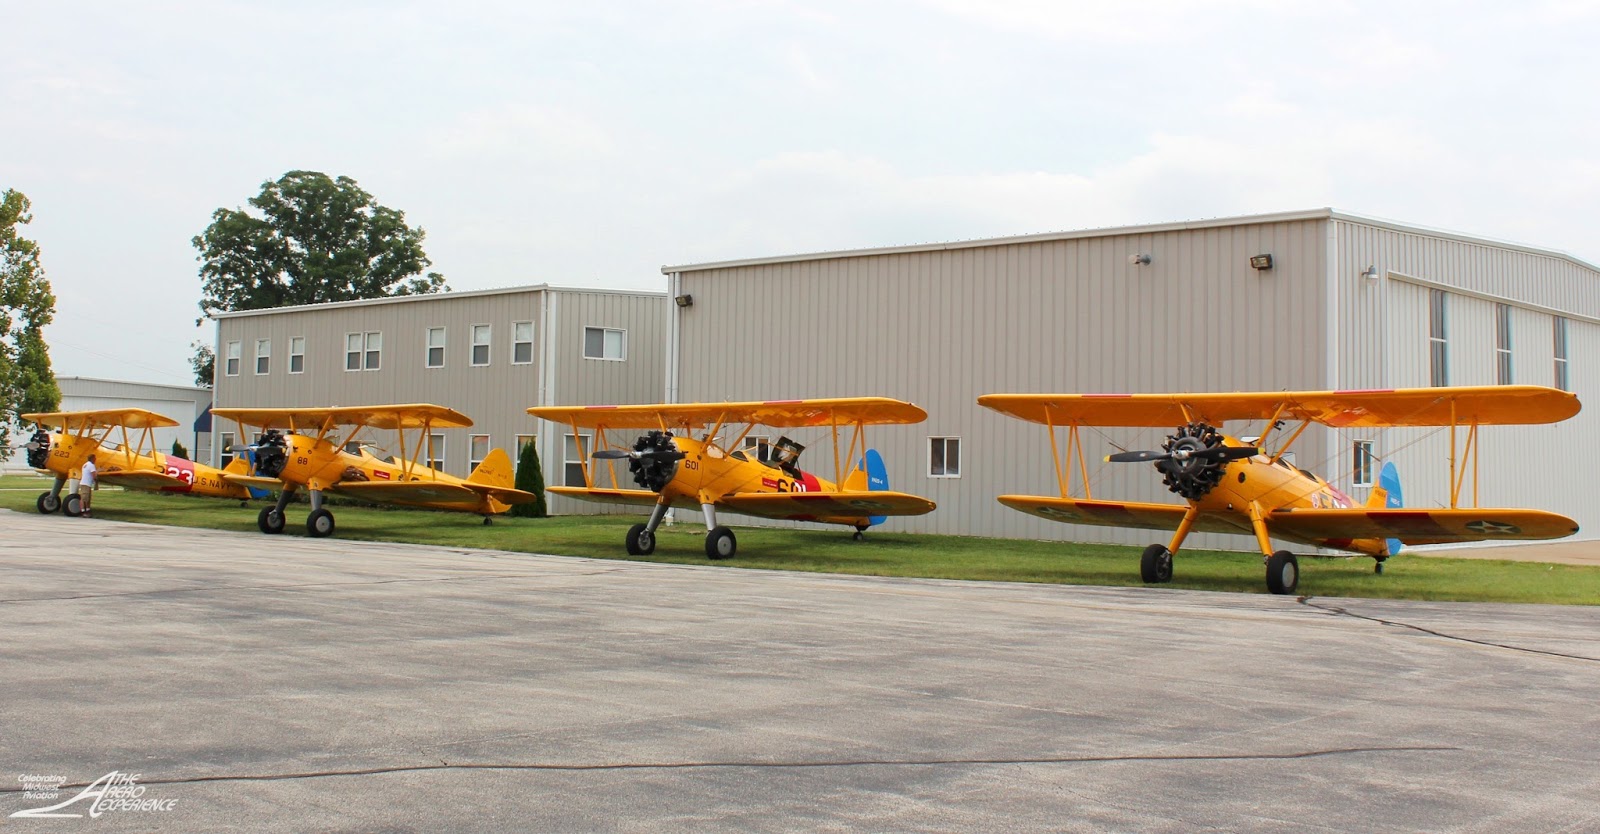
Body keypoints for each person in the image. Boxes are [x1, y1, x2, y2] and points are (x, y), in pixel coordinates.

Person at [79, 453, 98, 518]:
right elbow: (94, 475)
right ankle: (83, 512)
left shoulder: (85, 464)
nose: (95, 459)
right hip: (86, 484)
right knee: (84, 498)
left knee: (87, 498)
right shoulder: (91, 465)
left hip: (85, 483)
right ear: (92, 458)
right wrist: (96, 481)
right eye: (95, 458)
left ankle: (87, 511)